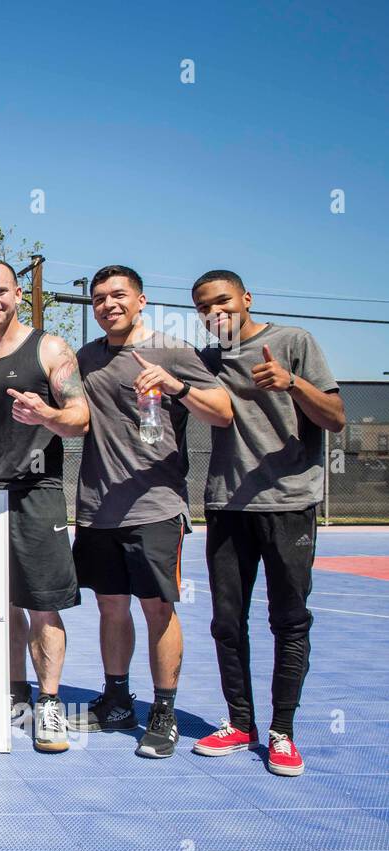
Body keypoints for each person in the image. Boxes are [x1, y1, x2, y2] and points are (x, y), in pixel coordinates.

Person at [71, 265, 232, 758]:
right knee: (110, 606)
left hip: (155, 507)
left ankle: (163, 711)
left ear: (141, 301)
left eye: (118, 295)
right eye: (98, 298)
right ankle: (117, 698)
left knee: (158, 609)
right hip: (97, 509)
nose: (108, 304)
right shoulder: (85, 359)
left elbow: (223, 411)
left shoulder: (172, 350)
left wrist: (178, 387)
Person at [189, 269, 345, 776]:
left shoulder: (293, 342)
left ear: (246, 298)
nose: (217, 314)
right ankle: (240, 723)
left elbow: (336, 418)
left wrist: (292, 383)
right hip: (227, 506)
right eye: (205, 308)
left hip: (289, 503)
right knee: (227, 622)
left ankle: (283, 730)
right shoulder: (208, 361)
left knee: (289, 619)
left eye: (224, 302)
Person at [0, 258, 90, 753]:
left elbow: (79, 418)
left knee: (41, 606)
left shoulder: (49, 348)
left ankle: (49, 703)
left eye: (1, 292)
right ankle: (14, 692)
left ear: (17, 294)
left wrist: (48, 413)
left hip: (36, 494)